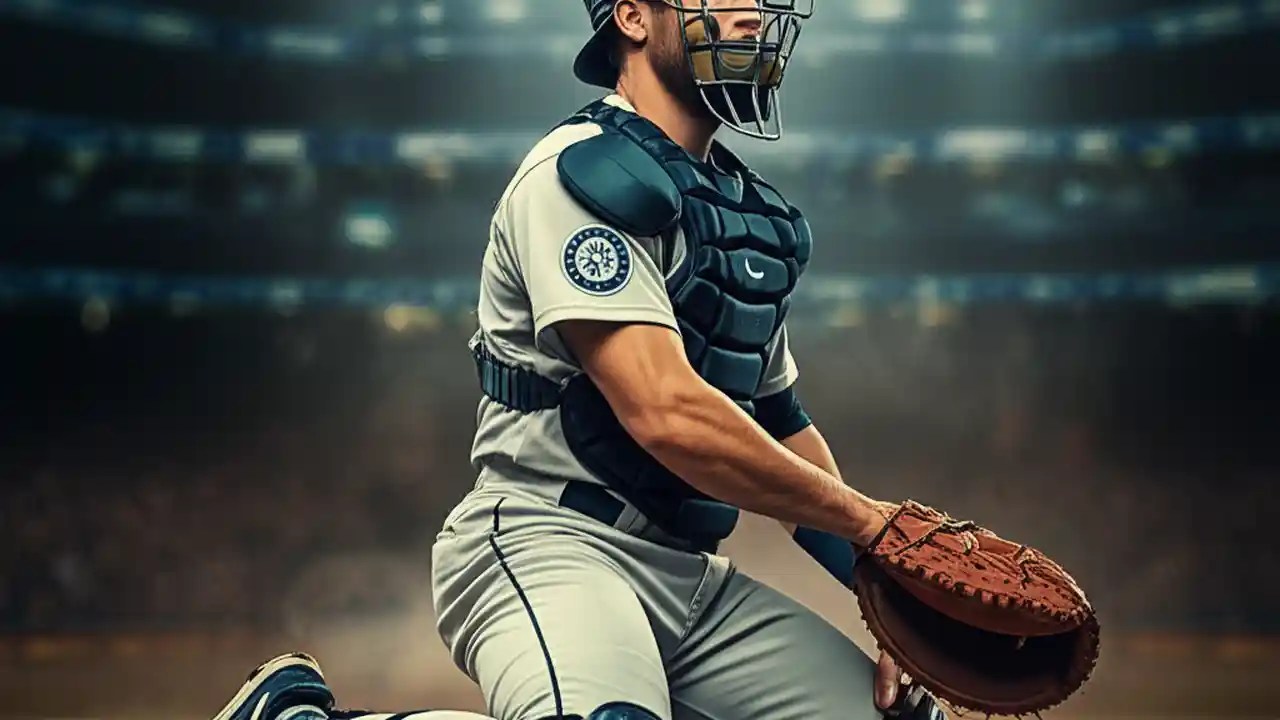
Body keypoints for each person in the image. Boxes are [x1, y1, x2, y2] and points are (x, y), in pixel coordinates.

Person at [210, 2, 946, 719]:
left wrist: (875, 587)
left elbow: (780, 422)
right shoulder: (579, 175)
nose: (751, 12)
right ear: (631, 17)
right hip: (548, 542)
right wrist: (870, 522)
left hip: (688, 576)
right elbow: (664, 412)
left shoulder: (747, 216)